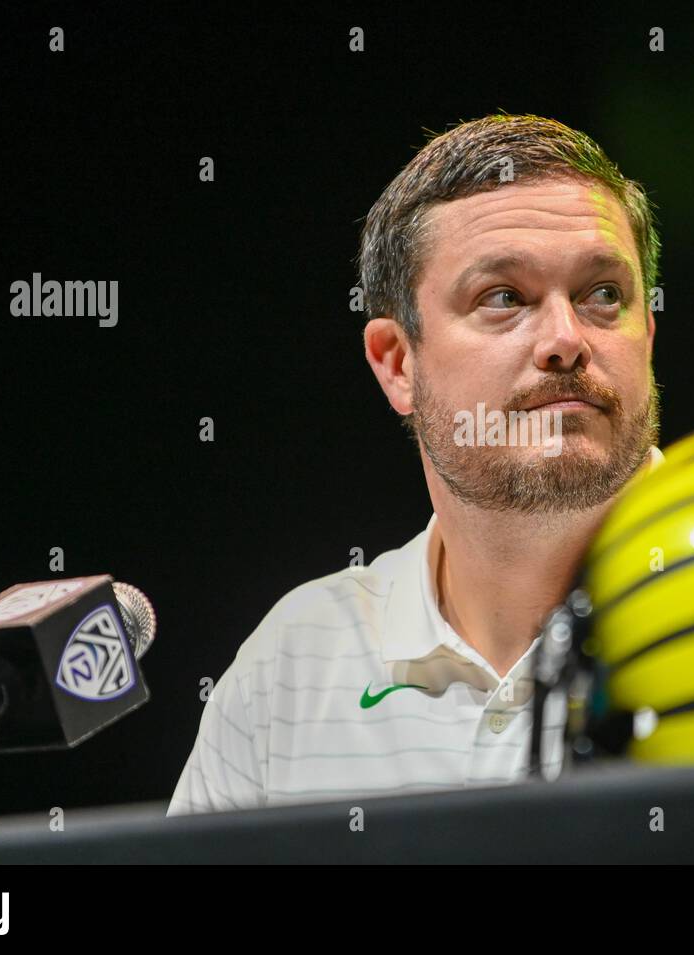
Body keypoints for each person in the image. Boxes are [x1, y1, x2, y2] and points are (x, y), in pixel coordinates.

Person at [167, 113, 664, 814]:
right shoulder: (294, 665)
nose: (564, 339)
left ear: (649, 331)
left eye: (603, 294)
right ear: (397, 363)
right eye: (505, 298)